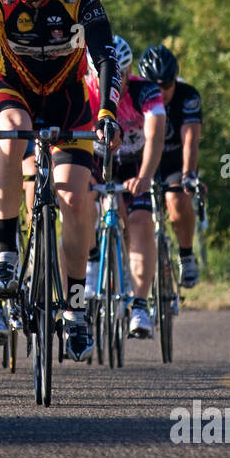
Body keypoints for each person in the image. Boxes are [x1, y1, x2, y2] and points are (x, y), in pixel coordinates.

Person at [0, 0, 120, 361]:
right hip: (12, 90)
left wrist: (108, 111)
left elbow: (105, 54)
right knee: (10, 133)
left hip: (68, 99)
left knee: (75, 201)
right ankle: (9, 250)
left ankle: (75, 310)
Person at [85, 36, 166, 337]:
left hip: (134, 164)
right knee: (80, 201)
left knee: (141, 221)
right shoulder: (84, 90)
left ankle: (141, 304)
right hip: (95, 161)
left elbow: (156, 132)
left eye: (123, 72)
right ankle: (92, 262)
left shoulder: (146, 90)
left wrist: (145, 176)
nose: (117, 81)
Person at [138, 43, 203, 287]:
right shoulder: (135, 94)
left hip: (175, 161)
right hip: (143, 161)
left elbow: (190, 140)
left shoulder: (188, 96)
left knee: (177, 199)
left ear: (175, 80)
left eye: (166, 85)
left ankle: (186, 256)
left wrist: (188, 175)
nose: (160, 92)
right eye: (153, 86)